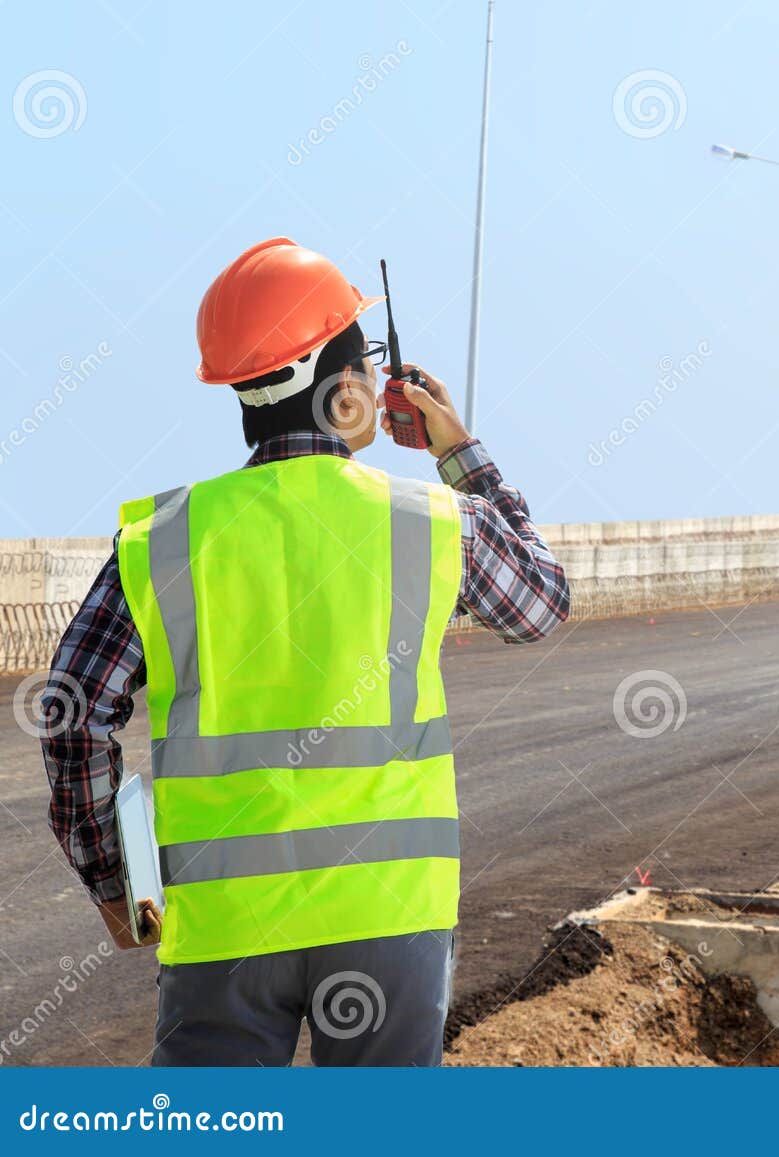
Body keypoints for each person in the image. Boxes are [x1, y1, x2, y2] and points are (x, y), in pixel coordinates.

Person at [37, 238, 570, 1065]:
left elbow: (70, 712)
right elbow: (541, 603)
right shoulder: (429, 520)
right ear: (346, 384)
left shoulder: (167, 538)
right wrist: (458, 451)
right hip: (391, 918)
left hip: (224, 930)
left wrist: (119, 882)